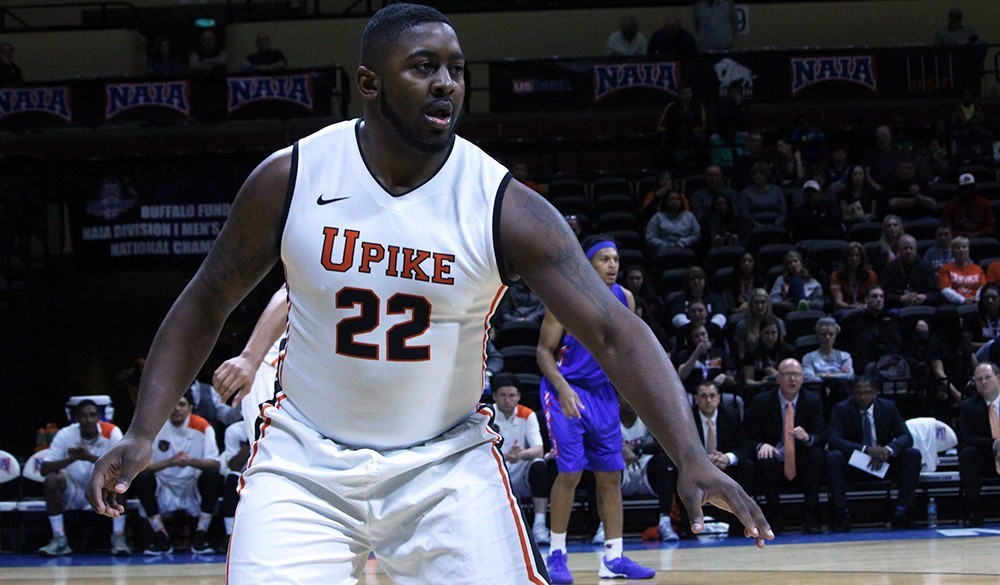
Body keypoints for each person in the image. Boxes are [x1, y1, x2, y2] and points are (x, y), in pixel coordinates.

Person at [88, 7, 771, 584]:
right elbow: (207, 299)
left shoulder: (503, 206)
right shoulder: (291, 178)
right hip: (303, 460)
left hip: (445, 462)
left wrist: (692, 455)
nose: (446, 83)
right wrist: (144, 430)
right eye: (423, 67)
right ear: (369, 83)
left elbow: (616, 332)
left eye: (455, 68)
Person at [537, 235, 655, 581]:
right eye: (604, 259)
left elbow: (623, 351)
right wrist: (562, 389)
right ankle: (556, 555)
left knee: (610, 475)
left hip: (602, 394)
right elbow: (544, 352)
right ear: (588, 264)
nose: (613, 265)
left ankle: (614, 558)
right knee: (570, 472)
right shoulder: (563, 299)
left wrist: (626, 393)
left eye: (616, 259)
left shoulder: (625, 298)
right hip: (566, 390)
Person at [130, 390, 222, 555]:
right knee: (141, 477)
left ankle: (201, 535)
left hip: (191, 484)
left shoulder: (203, 426)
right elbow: (141, 465)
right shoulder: (155, 427)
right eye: (172, 404)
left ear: (190, 408)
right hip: (163, 484)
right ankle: (160, 536)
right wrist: (170, 462)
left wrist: (190, 461)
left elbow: (215, 464)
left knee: (213, 476)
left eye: (182, 404)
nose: (177, 409)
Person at [826, 377, 921, 532]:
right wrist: (866, 450)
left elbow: (906, 437)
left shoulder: (888, 407)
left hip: (883, 462)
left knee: (912, 455)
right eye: (858, 393)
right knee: (833, 457)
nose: (862, 397)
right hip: (854, 464)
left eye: (867, 393)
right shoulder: (841, 408)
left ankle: (901, 511)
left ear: (875, 394)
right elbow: (834, 440)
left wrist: (887, 450)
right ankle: (841, 514)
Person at [37, 400, 129, 556]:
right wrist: (72, 458)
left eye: (93, 415)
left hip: (102, 489)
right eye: (84, 416)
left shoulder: (112, 432)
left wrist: (88, 457)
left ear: (99, 417)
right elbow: (44, 469)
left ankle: (119, 538)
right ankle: (59, 538)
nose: (89, 420)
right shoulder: (65, 434)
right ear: (77, 418)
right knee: (51, 479)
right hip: (73, 488)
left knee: (119, 480)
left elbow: (123, 466)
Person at [745, 358, 826, 534]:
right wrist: (761, 445)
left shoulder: (812, 401)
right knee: (766, 459)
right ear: (778, 378)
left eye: (796, 374)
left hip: (800, 457)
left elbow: (821, 436)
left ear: (803, 378)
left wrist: (808, 437)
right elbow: (747, 437)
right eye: (787, 374)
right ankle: (774, 516)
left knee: (817, 455)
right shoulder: (761, 401)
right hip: (775, 456)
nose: (792, 379)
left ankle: (810, 514)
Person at [686, 380, 753, 538]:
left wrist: (728, 458)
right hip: (696, 468)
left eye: (712, 396)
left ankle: (742, 522)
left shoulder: (731, 416)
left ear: (719, 397)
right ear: (696, 399)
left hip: (725, 467)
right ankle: (686, 524)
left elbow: (744, 446)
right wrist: (702, 460)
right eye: (703, 396)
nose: (708, 400)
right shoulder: (688, 419)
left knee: (748, 466)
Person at [490, 374, 552, 547]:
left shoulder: (527, 414)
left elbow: (538, 449)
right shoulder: (488, 415)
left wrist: (521, 455)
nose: (507, 400)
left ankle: (539, 525)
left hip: (520, 469)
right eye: (502, 395)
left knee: (539, 464)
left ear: (518, 396)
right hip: (495, 471)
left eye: (511, 395)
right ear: (494, 396)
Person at [616, 395, 680, 542]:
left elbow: (662, 443)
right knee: (603, 465)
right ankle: (603, 526)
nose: (629, 400)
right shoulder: (610, 416)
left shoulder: (649, 416)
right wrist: (621, 448)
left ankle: (665, 521)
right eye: (624, 396)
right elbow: (599, 440)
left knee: (665, 459)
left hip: (646, 471)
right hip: (620, 471)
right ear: (618, 398)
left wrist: (636, 449)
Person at [958, 362, 1000, 528]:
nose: (983, 382)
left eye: (987, 378)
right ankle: (974, 509)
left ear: (998, 378)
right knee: (968, 454)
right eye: (979, 379)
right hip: (987, 457)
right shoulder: (968, 406)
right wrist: (994, 444)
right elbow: (967, 437)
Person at [841, 287, 902, 376]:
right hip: (865, 361)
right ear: (866, 300)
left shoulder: (891, 318)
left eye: (881, 297)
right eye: (875, 296)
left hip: (888, 359)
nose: (879, 299)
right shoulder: (855, 319)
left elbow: (896, 342)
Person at [655, 83, 708, 169]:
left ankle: (699, 166)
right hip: (674, 135)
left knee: (701, 138)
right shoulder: (671, 106)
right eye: (684, 93)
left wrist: (689, 130)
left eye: (689, 93)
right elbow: (660, 127)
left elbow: (703, 126)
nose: (687, 96)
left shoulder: (697, 106)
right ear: (678, 95)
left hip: (693, 134)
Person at [881, 235, 941, 309]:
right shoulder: (890, 268)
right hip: (898, 306)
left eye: (911, 248)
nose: (908, 251)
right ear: (899, 250)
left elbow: (935, 293)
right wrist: (901, 298)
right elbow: (885, 294)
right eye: (905, 248)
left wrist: (924, 296)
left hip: (922, 305)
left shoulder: (926, 266)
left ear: (916, 250)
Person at [741, 316, 796, 393]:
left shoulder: (788, 351)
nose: (770, 337)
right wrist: (761, 383)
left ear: (779, 333)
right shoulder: (751, 351)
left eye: (773, 333)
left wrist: (779, 376)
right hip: (759, 391)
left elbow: (795, 377)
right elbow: (748, 381)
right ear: (760, 333)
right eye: (766, 333)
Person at [219, 420, 250, 552]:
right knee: (232, 479)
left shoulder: (275, 426)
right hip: (243, 476)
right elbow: (234, 466)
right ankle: (229, 535)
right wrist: (250, 442)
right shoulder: (234, 430)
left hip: (267, 475)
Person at [645, 189, 701, 254]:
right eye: (671, 199)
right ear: (666, 201)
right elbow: (649, 237)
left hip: (685, 248)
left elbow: (696, 234)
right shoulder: (658, 216)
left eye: (677, 199)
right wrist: (665, 245)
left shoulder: (689, 216)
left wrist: (684, 242)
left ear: (681, 201)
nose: (674, 202)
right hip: (663, 250)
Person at [829, 242, 878, 316]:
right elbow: (838, 301)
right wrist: (851, 306)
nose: (854, 259)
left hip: (865, 308)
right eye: (851, 256)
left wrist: (865, 306)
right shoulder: (836, 275)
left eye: (857, 255)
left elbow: (873, 295)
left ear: (862, 258)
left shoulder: (871, 275)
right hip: (845, 309)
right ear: (846, 258)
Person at [769, 250, 824, 315]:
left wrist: (806, 303)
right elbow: (772, 301)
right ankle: (802, 304)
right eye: (790, 263)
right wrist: (783, 304)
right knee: (796, 281)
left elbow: (820, 304)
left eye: (795, 261)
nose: (793, 264)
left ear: (801, 263)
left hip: (808, 310)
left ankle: (802, 304)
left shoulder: (812, 282)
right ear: (787, 267)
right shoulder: (781, 280)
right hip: (788, 310)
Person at [802, 317, 854, 384]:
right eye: (823, 334)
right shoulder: (809, 357)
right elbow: (808, 378)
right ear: (817, 336)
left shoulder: (845, 356)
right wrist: (839, 374)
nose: (827, 337)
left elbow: (850, 376)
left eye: (831, 334)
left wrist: (822, 375)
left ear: (835, 336)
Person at [942, 173, 995, 238]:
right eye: (964, 188)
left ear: (974, 187)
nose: (968, 190)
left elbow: (992, 226)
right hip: (959, 239)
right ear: (959, 189)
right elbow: (945, 227)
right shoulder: (952, 204)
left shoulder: (983, 203)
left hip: (981, 237)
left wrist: (980, 233)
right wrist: (964, 234)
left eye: (970, 187)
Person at [939, 235, 986, 305]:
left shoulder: (978, 269)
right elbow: (945, 290)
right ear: (952, 251)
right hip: (955, 305)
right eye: (957, 248)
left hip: (976, 303)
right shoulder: (945, 269)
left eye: (964, 247)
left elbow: (983, 287)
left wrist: (977, 299)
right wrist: (963, 300)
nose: (961, 250)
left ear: (968, 250)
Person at [738, 161, 787, 228]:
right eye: (755, 174)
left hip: (776, 227)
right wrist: (758, 226)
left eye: (761, 173)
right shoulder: (746, 193)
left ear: (766, 175)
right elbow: (745, 215)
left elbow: (783, 213)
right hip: (753, 228)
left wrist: (775, 225)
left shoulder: (777, 191)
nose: (758, 176)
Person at [724, 251, 764, 315]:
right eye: (743, 261)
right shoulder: (730, 282)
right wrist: (739, 310)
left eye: (750, 261)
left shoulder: (761, 281)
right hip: (738, 313)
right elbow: (732, 308)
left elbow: (764, 303)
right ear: (739, 264)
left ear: (754, 263)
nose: (746, 263)